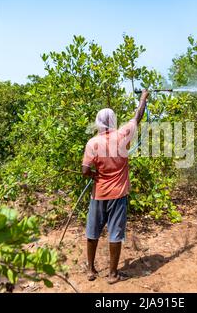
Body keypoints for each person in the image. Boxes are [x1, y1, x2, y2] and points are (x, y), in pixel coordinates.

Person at [82, 89, 149, 284]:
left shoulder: (92, 143)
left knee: (92, 231)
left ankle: (91, 270)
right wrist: (143, 97)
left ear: (98, 122)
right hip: (118, 195)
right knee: (115, 233)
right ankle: (112, 274)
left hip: (99, 194)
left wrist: (95, 175)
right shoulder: (122, 135)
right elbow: (137, 116)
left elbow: (85, 170)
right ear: (113, 121)